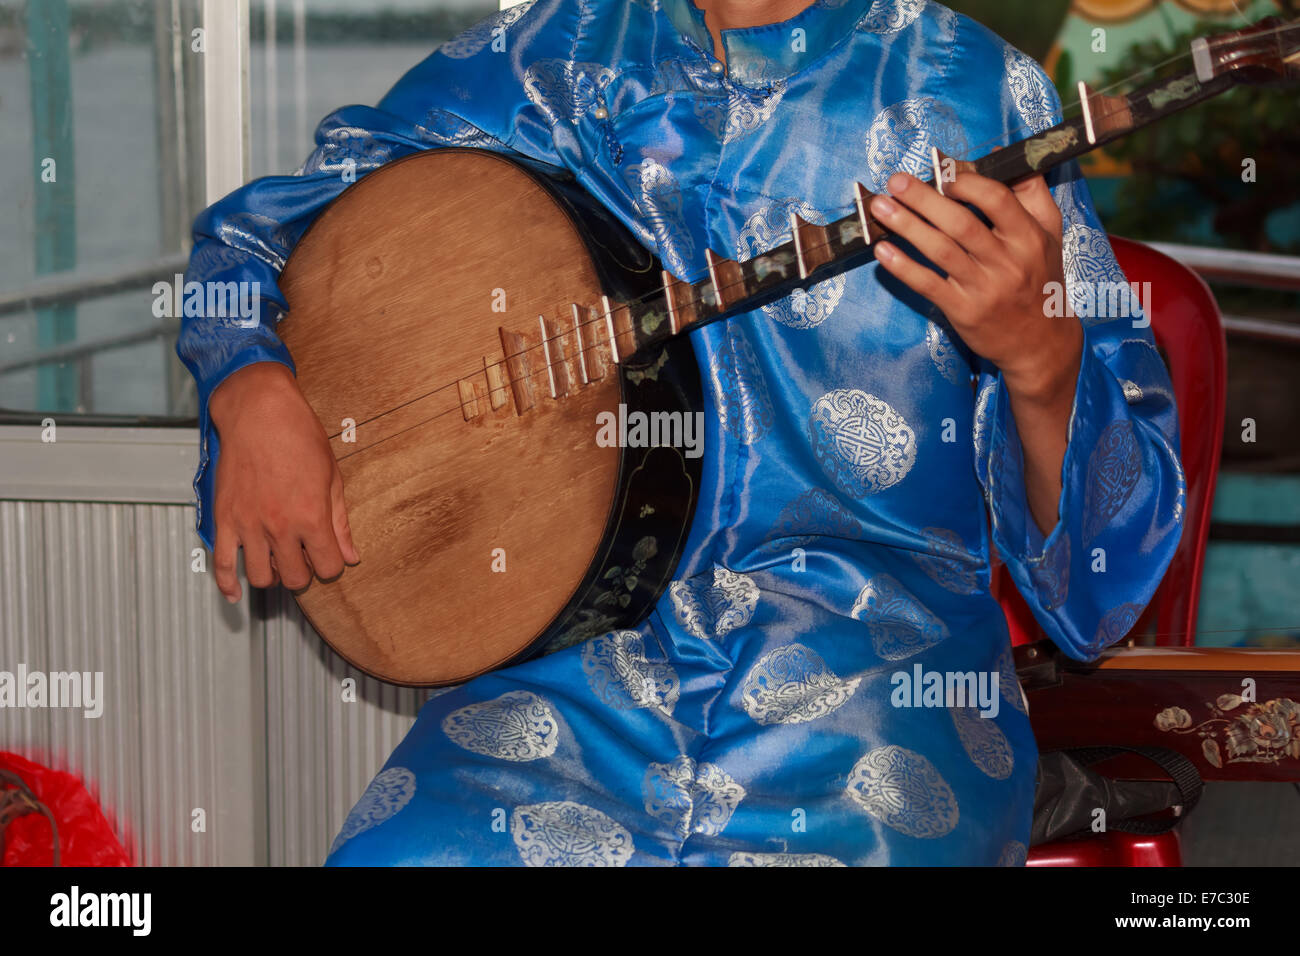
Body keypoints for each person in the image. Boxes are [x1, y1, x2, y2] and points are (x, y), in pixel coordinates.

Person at [177, 0, 1185, 865]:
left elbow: (1097, 595)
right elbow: (252, 240)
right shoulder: (548, 60)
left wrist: (1043, 369)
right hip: (565, 681)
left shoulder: (977, 97)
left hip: (877, 689)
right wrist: (249, 385)